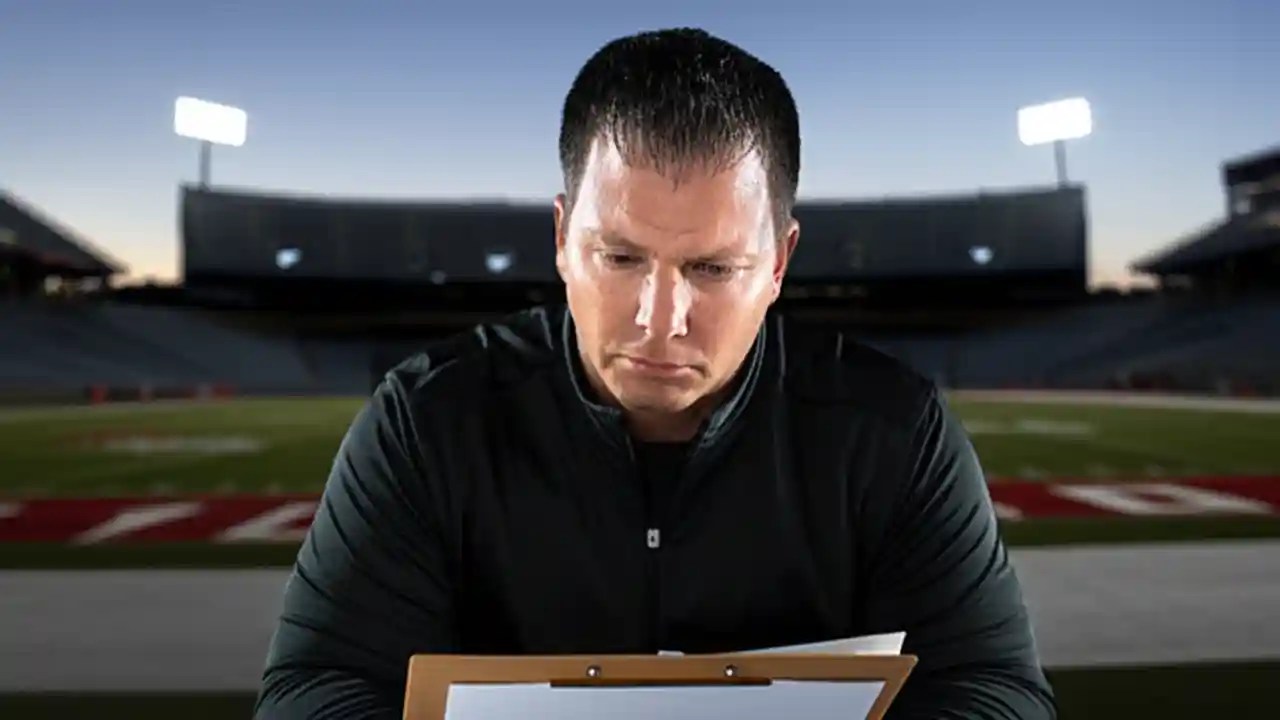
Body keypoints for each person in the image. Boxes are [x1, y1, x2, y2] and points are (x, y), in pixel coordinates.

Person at [255, 27, 1056, 719]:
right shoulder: (427, 421)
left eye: (711, 268)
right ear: (563, 238)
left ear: (778, 262)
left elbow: (996, 690)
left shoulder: (893, 431)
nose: (658, 317)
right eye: (619, 257)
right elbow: (312, 689)